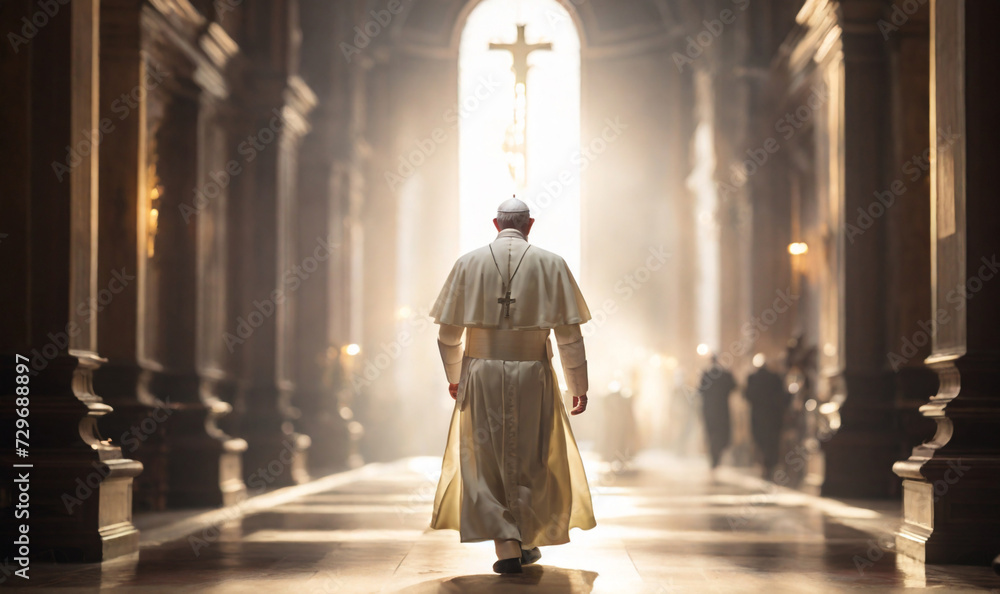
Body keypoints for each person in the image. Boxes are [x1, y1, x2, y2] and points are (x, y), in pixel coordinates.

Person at [429, 198, 596, 574]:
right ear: (529, 225)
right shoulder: (552, 264)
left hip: (481, 374)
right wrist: (578, 385)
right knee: (535, 453)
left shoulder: (467, 264)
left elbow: (448, 336)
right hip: (532, 374)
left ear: (495, 223)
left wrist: (456, 378)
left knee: (483, 458)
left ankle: (508, 543)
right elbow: (570, 338)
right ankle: (525, 536)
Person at [744, 355, 792, 480]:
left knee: (761, 440)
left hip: (759, 417)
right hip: (773, 417)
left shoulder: (753, 378)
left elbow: (748, 395)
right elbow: (783, 397)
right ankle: (769, 465)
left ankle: (767, 465)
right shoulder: (775, 378)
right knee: (772, 442)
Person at [698, 354, 736, 470]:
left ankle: (714, 457)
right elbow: (734, 386)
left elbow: (700, 390)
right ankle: (716, 457)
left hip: (709, 412)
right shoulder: (724, 374)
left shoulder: (706, 375)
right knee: (721, 435)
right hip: (721, 412)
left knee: (712, 435)